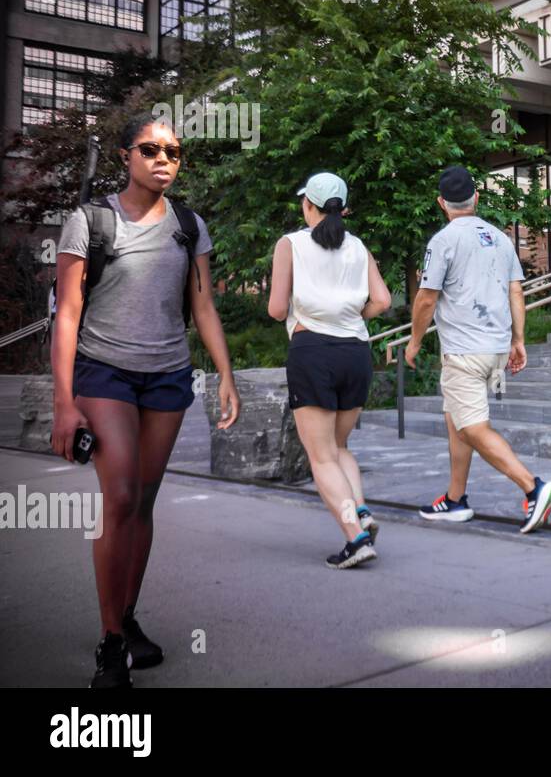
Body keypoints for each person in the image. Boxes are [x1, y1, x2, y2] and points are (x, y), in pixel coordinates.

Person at [51, 112, 242, 689]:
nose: (164, 159)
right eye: (151, 149)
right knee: (122, 494)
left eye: (174, 152)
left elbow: (203, 307)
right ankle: (111, 646)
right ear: (125, 155)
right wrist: (65, 402)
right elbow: (67, 313)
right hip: (104, 372)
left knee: (146, 501)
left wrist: (225, 374)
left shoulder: (189, 225)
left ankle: (126, 617)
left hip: (167, 376)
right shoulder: (90, 221)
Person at [406, 166, 551, 533]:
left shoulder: (442, 241)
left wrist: (412, 343)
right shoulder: (500, 238)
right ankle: (455, 499)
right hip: (494, 349)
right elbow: (515, 291)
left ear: (441, 202)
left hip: (463, 352)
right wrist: (517, 340)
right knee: (456, 421)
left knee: (473, 428)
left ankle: (533, 488)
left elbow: (426, 299)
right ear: (476, 198)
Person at [267, 172, 391, 569]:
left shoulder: (290, 244)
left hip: (312, 351)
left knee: (320, 457)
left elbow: (275, 309)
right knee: (339, 448)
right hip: (356, 351)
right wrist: (353, 314)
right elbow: (383, 301)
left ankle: (355, 538)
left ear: (308, 205)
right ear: (343, 207)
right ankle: (362, 511)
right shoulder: (358, 247)